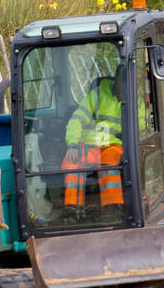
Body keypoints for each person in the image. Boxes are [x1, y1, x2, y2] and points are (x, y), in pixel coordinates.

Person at [61, 67, 147, 211]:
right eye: (124, 80)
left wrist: (133, 100)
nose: (128, 85)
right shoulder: (98, 95)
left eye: (134, 82)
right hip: (88, 144)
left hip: (113, 145)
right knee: (72, 162)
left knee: (109, 160)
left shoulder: (137, 102)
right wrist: (73, 145)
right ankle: (71, 208)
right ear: (117, 79)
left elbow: (140, 130)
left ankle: (111, 206)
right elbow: (77, 119)